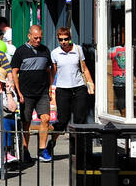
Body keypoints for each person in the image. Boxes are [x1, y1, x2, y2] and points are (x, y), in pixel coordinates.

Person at [47, 27, 94, 161]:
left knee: (79, 119)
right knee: (62, 121)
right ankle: (52, 142)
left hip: (79, 88)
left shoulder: (77, 50)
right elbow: (53, 72)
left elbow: (84, 68)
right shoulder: (55, 53)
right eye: (61, 40)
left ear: (70, 38)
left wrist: (91, 83)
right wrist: (50, 87)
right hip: (63, 89)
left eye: (66, 39)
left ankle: (77, 150)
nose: (64, 42)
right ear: (58, 39)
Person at [11, 25, 54, 162]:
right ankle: (25, 150)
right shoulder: (21, 51)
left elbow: (49, 70)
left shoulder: (45, 50)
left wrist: (50, 86)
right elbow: (14, 72)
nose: (38, 40)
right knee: (26, 122)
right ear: (29, 36)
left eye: (40, 37)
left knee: (46, 118)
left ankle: (42, 150)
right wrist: (18, 92)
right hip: (26, 93)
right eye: (35, 38)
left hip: (42, 92)